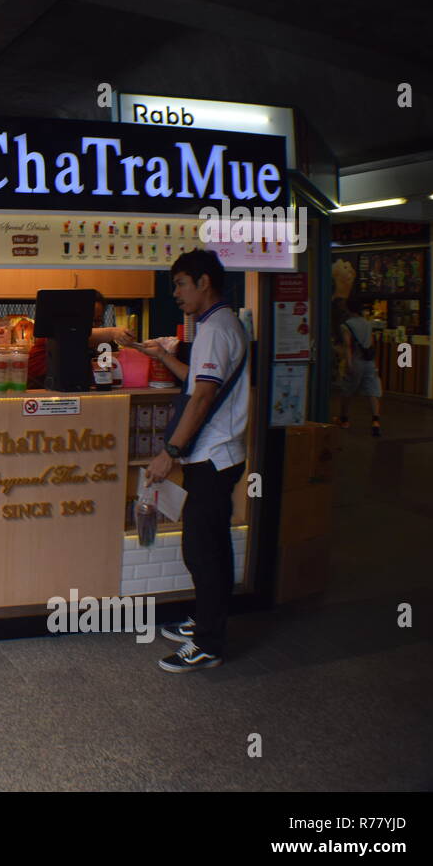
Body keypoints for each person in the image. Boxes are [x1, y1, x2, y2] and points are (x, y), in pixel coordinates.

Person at [138, 249, 248, 673]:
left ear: (205, 282)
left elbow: (202, 397)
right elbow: (199, 381)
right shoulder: (213, 325)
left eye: (181, 284)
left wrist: (170, 453)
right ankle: (206, 622)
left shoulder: (217, 328)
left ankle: (209, 643)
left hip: (214, 456)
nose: (176, 294)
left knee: (205, 550)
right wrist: (161, 357)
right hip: (214, 454)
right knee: (207, 546)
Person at [27, 291, 136, 385]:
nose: (93, 326)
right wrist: (113, 331)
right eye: (88, 320)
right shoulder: (52, 336)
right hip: (39, 398)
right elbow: (73, 337)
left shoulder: (103, 345)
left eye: (97, 321)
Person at [337, 296, 382, 436]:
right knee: (372, 391)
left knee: (347, 390)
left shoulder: (347, 325)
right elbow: (371, 343)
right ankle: (375, 421)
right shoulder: (368, 323)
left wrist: (348, 363)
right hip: (369, 362)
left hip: (356, 361)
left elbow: (347, 346)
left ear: (349, 308)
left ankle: (344, 420)